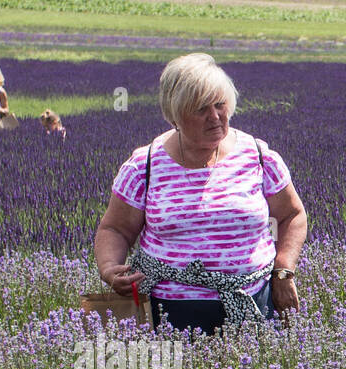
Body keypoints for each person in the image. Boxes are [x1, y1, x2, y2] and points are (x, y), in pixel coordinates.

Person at [93, 53, 308, 336]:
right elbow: (115, 229)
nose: (216, 116)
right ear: (175, 115)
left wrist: (283, 271)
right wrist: (110, 268)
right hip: (166, 313)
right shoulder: (143, 166)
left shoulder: (258, 156)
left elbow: (292, 215)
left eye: (220, 105)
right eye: (201, 109)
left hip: (252, 304)